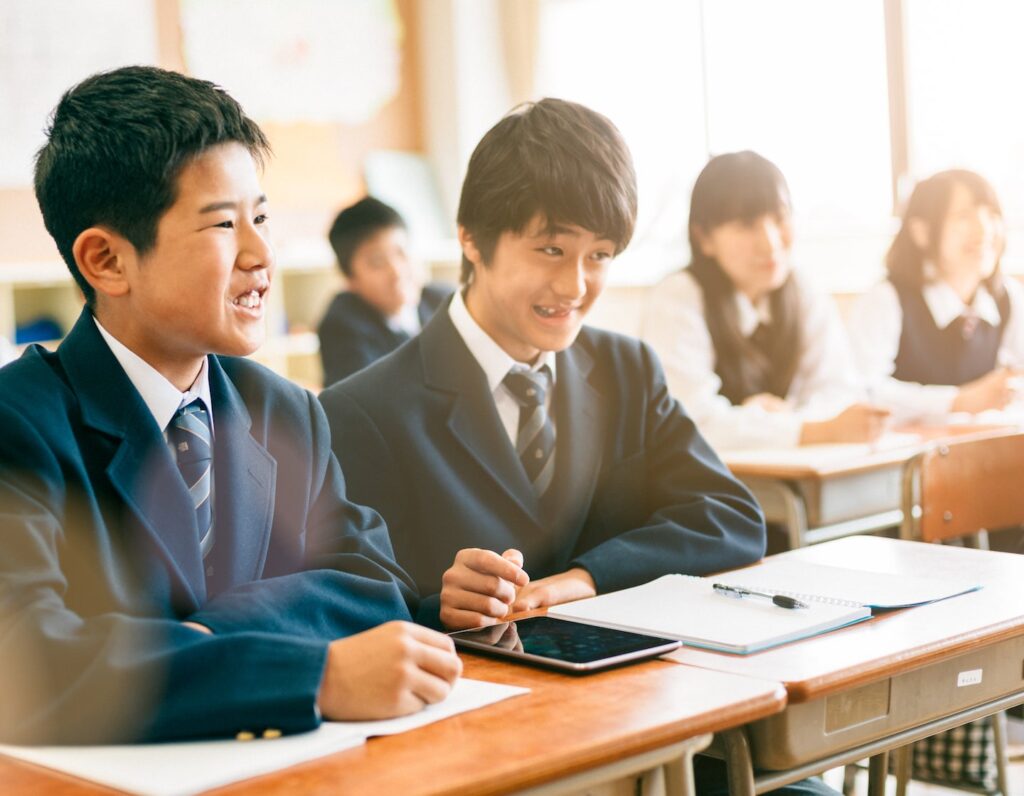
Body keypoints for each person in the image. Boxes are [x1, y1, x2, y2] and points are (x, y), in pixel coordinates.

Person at [320, 101, 836, 796]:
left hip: (653, 724)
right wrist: (434, 603)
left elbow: (730, 517)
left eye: (599, 256)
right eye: (551, 250)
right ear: (472, 239)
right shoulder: (361, 411)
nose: (576, 287)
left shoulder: (625, 369)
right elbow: (345, 607)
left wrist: (585, 578)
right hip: (489, 752)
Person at [0, 65, 460, 746]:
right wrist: (310, 673)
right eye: (223, 225)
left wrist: (204, 635)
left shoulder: (284, 410)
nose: (262, 254)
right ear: (106, 261)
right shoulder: (20, 425)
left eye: (263, 217)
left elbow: (373, 586)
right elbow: (29, 661)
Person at [642, 151, 888, 451]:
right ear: (704, 237)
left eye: (780, 218)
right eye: (746, 225)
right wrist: (806, 429)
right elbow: (690, 422)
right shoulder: (678, 297)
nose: (770, 242)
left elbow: (841, 392)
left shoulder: (802, 290)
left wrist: (777, 420)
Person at [848, 169, 1024, 422]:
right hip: (905, 457)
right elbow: (863, 390)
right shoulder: (887, 299)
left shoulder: (1009, 298)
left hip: (982, 453)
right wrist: (957, 401)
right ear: (921, 232)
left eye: (991, 214)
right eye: (964, 216)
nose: (984, 228)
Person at [317, 197, 452, 386]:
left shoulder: (447, 301)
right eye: (377, 262)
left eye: (402, 252)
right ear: (350, 279)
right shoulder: (342, 326)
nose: (397, 271)